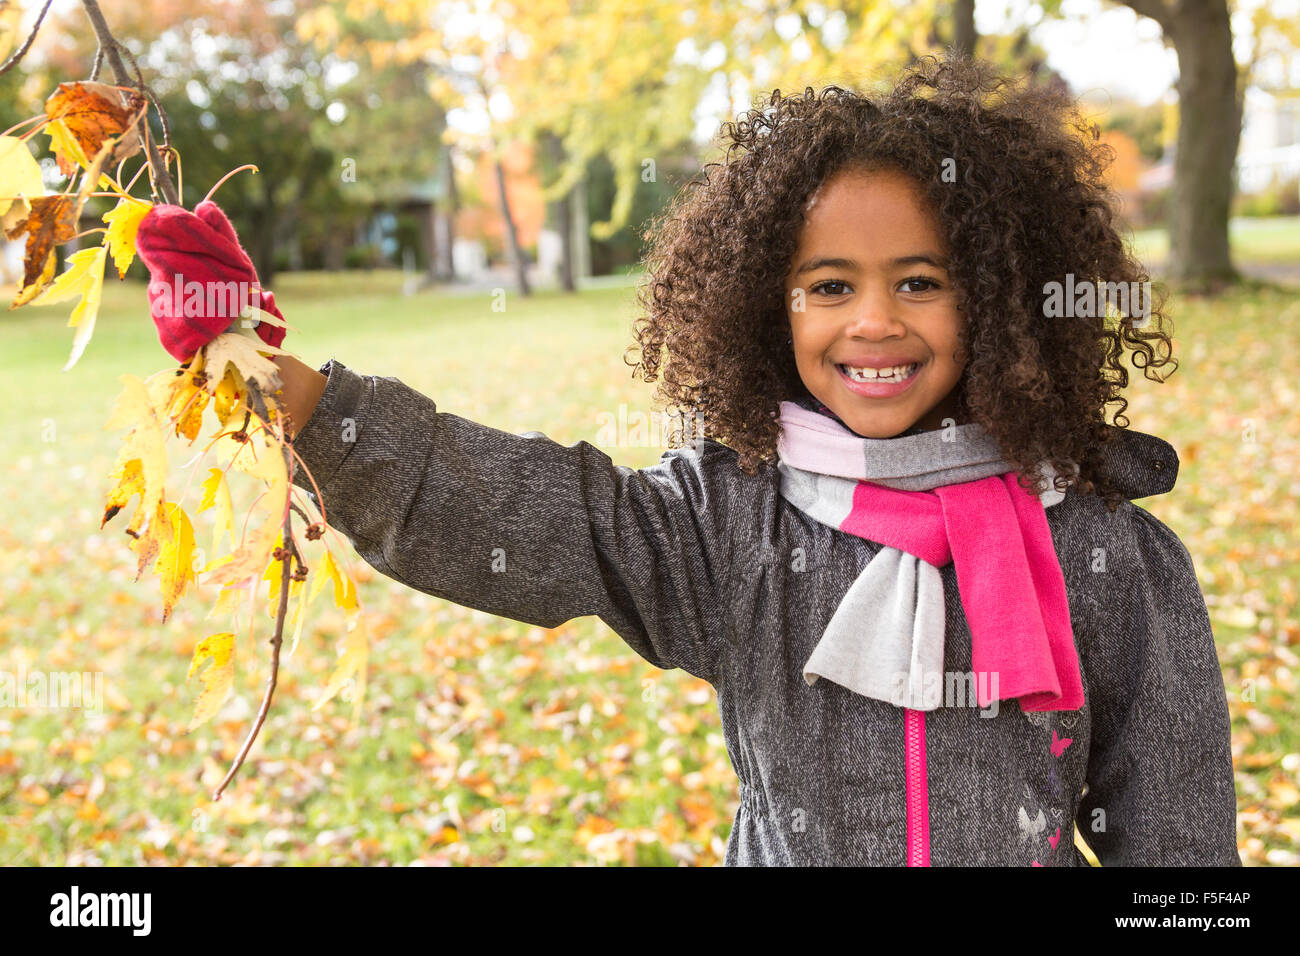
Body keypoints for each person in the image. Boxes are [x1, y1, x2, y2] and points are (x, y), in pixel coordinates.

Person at [135, 53, 1240, 866]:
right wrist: (288, 387)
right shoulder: (727, 523)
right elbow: (525, 521)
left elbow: (1177, 836)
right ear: (767, 305)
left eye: (920, 279)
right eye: (827, 286)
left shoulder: (1106, 551)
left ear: (995, 295)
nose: (873, 323)